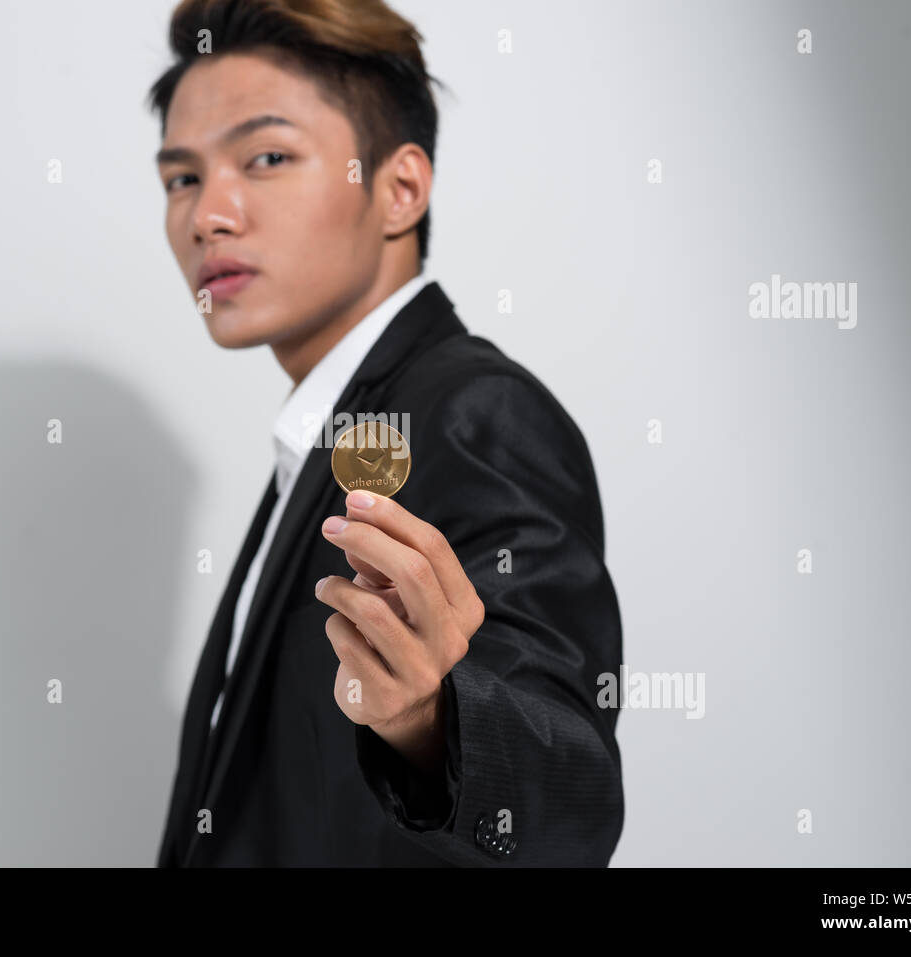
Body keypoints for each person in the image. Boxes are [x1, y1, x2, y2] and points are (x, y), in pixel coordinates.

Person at [149, 0, 624, 866]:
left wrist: (431, 719)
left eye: (266, 158)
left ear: (399, 188)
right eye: (181, 177)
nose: (208, 214)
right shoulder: (332, 431)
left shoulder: (478, 413)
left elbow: (573, 799)